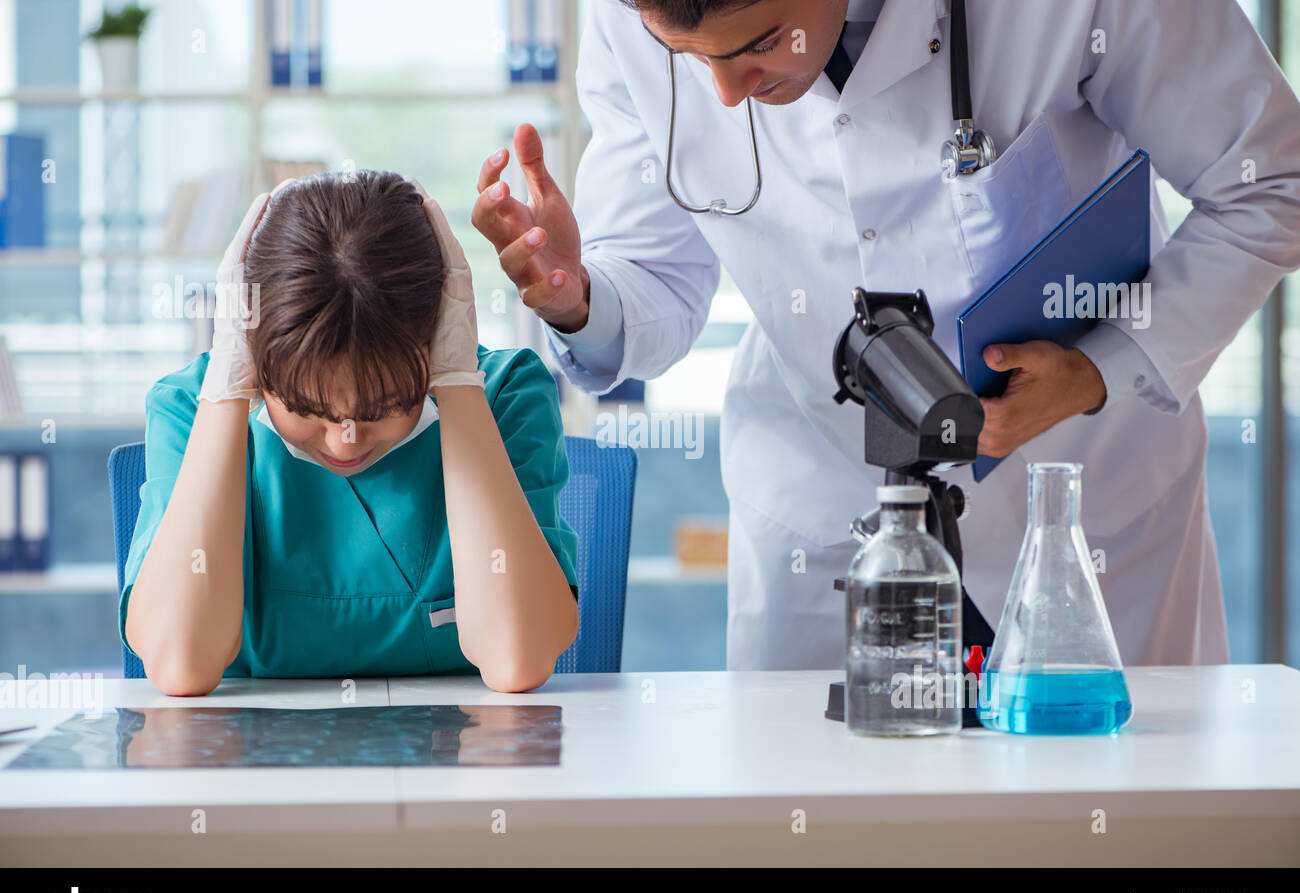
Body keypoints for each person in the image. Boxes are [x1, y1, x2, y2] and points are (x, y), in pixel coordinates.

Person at [472, 0, 1300, 669]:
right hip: (823, 499)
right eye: (689, 57)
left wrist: (1096, 367)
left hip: (1080, 487)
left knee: (1106, 827)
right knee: (823, 829)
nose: (724, 93)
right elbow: (652, 282)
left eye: (759, 44)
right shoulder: (631, 21)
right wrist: (578, 297)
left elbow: (1272, 181)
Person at [120, 171, 579, 696]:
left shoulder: (503, 397)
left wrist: (457, 382)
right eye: (306, 407)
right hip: (251, 771)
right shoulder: (191, 408)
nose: (346, 439)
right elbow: (181, 663)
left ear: (433, 346)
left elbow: (518, 658)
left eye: (383, 406)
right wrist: (228, 382)